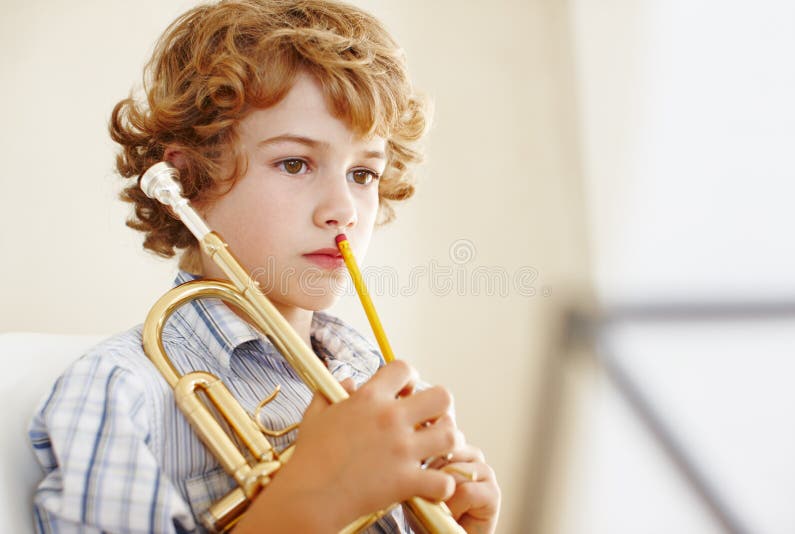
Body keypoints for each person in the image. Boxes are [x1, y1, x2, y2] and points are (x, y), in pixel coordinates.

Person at [28, 1, 501, 532]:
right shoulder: (121, 391)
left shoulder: (371, 378)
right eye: (295, 163)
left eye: (363, 174)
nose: (343, 210)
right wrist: (318, 496)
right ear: (189, 181)